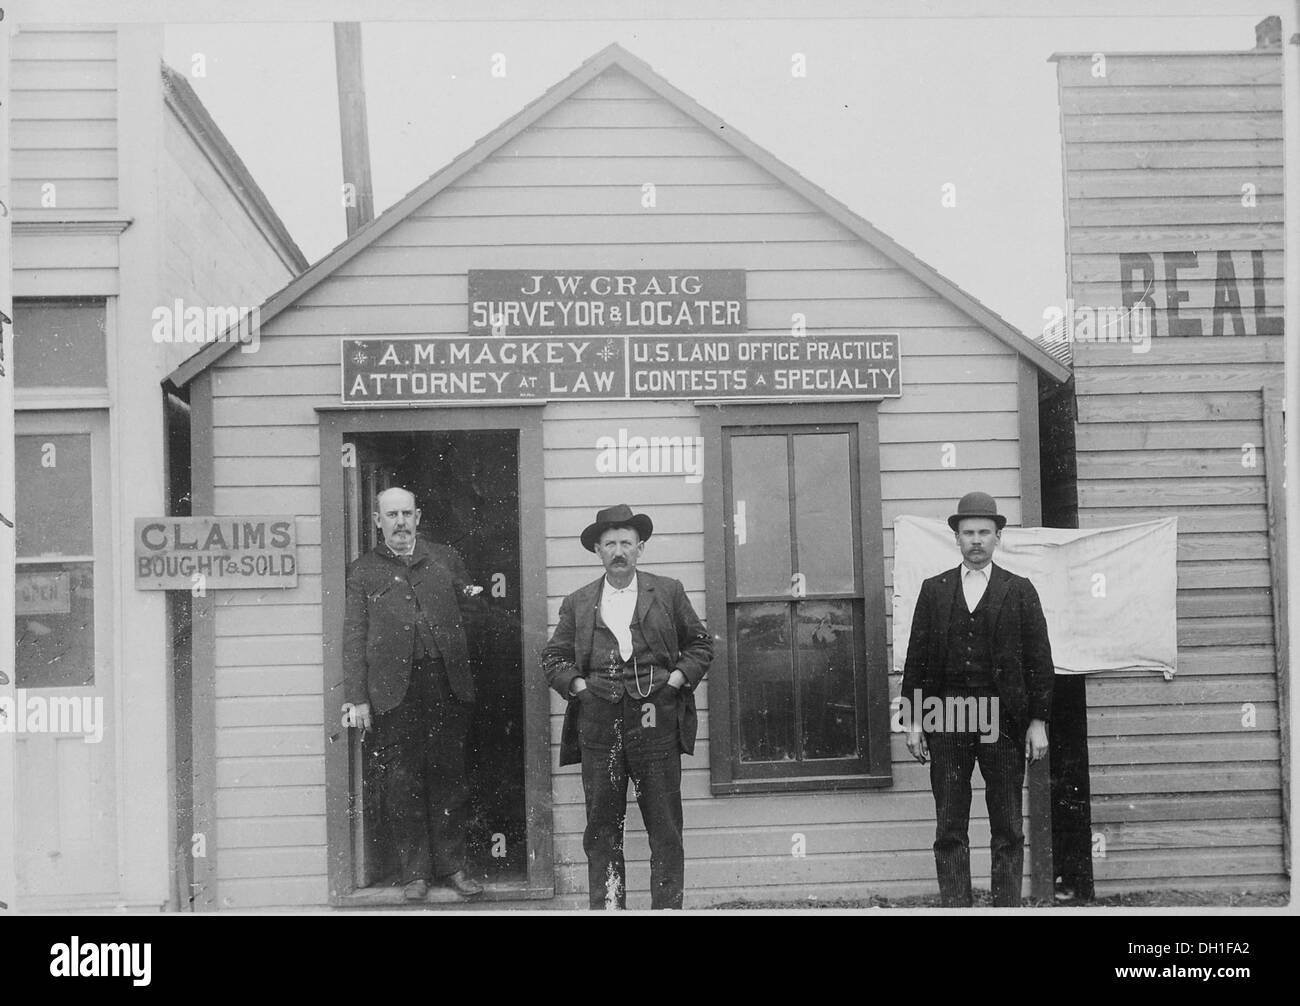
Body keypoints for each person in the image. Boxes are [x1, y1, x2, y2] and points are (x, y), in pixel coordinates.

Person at [542, 504, 713, 910]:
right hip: (599, 725)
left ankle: (667, 909)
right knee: (602, 828)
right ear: (598, 551)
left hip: (657, 723)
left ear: (640, 548)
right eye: (610, 544)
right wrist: (580, 686)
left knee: (665, 828)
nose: (618, 551)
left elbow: (701, 645)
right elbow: (553, 658)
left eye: (626, 543)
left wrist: (674, 681)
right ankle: (610, 909)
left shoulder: (667, 591)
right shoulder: (579, 602)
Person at [900, 491, 1053, 907]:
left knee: (1007, 824)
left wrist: (1037, 721)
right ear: (956, 538)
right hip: (946, 714)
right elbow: (916, 656)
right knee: (950, 823)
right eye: (968, 532)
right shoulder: (934, 590)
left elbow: (1040, 660)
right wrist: (914, 720)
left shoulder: (1019, 591)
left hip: (1002, 717)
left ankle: (1005, 908)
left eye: (985, 532)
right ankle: (956, 907)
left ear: (998, 537)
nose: (976, 540)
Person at [342, 486, 484, 901]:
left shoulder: (446, 559)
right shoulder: (363, 570)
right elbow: (354, 637)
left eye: (407, 514)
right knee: (402, 781)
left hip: (445, 684)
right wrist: (358, 697)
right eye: (392, 515)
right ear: (377, 521)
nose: (400, 522)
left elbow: (474, 615)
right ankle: (415, 873)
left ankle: (454, 866)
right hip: (392, 690)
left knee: (449, 776)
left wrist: (457, 652)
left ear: (418, 517)